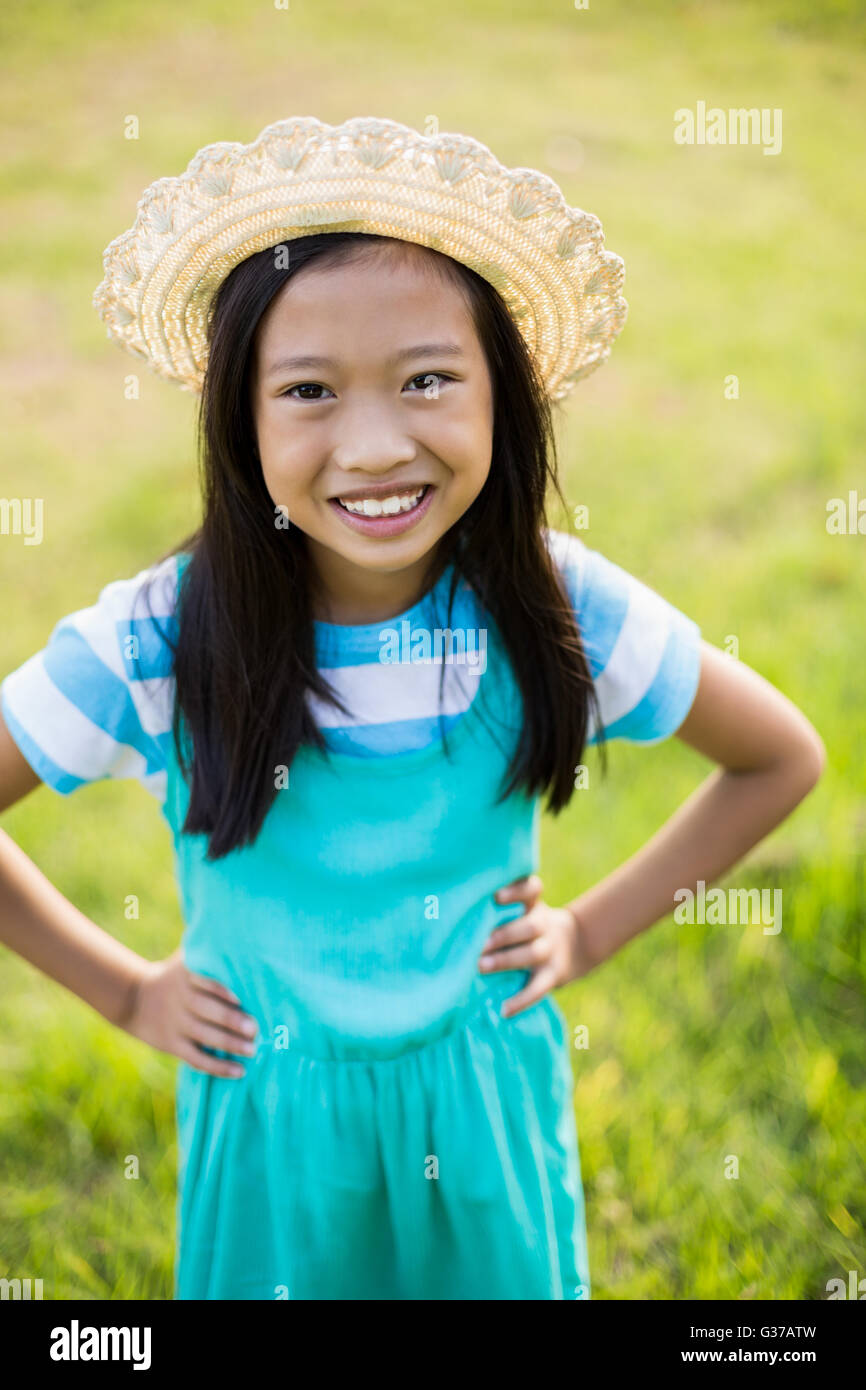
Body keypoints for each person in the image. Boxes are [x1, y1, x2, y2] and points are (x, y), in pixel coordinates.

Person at [0, 116, 825, 1300]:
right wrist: (124, 989)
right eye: (309, 391)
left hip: (483, 1105)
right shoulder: (162, 638)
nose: (376, 445)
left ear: (506, 394)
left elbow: (777, 758)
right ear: (240, 417)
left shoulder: (553, 604)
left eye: (427, 378)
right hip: (272, 1129)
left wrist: (588, 930)